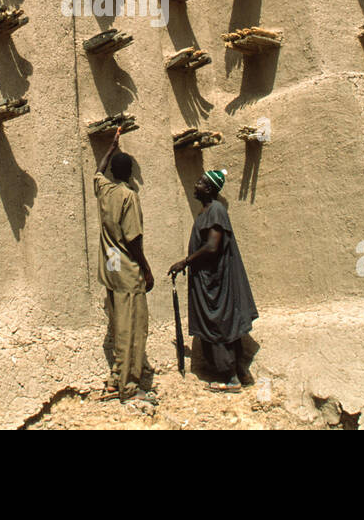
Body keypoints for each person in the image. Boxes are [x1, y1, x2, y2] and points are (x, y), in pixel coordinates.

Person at [168, 168, 257, 392]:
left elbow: (212, 246)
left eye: (200, 182)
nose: (195, 185)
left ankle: (231, 379)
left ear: (208, 189)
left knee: (218, 324)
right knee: (225, 324)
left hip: (215, 282)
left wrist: (185, 262)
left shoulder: (216, 210)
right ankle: (240, 372)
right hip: (209, 279)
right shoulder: (206, 212)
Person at [94, 127, 154, 402]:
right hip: (127, 270)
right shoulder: (129, 196)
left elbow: (98, 170)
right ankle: (129, 385)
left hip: (111, 268)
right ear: (129, 173)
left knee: (118, 323)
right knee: (132, 327)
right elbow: (133, 239)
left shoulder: (104, 190)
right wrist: (146, 268)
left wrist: (111, 147)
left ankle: (115, 377)